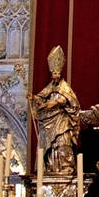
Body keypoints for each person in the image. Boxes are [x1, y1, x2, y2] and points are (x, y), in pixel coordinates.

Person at [31, 46, 81, 174]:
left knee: (62, 141)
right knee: (50, 144)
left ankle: (66, 166)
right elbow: (41, 97)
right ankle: (51, 166)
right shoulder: (50, 87)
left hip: (62, 119)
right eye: (54, 73)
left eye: (58, 73)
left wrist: (57, 102)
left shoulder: (65, 87)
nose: (57, 75)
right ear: (51, 74)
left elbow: (72, 102)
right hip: (50, 121)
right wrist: (33, 98)